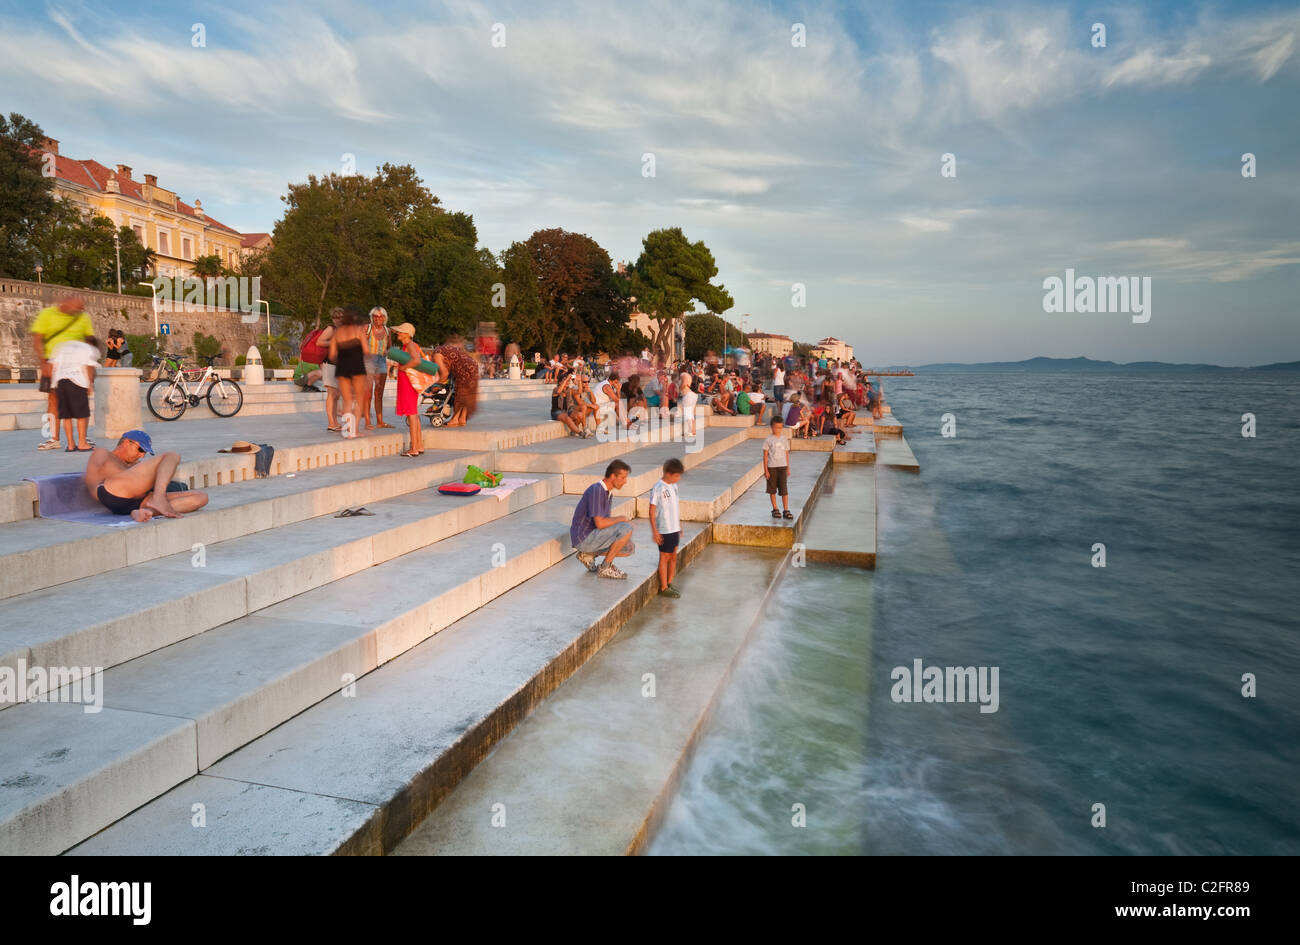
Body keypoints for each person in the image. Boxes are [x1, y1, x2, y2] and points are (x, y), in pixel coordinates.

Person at [84, 429, 208, 521]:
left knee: (201, 497)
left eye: (144, 453)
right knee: (171, 455)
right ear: (127, 443)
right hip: (110, 491)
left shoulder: (132, 466)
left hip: (135, 503)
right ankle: (158, 499)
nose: (142, 455)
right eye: (141, 450)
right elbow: (92, 477)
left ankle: (146, 512)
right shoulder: (104, 454)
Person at [30, 296, 94, 451]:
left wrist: (89, 365)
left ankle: (82, 438)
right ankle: (53, 438)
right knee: (53, 400)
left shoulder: (83, 317)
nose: (80, 312)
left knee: (81, 400)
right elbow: (38, 339)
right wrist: (43, 361)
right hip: (52, 362)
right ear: (64, 305)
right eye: (77, 308)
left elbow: (90, 339)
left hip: (78, 364)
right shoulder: (47, 314)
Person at [570, 459, 636, 579]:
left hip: (592, 535)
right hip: (583, 538)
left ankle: (588, 554)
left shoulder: (607, 493)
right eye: (622, 478)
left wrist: (625, 538)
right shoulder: (597, 490)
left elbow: (606, 522)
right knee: (626, 528)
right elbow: (600, 523)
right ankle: (605, 567)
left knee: (627, 547)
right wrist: (621, 518)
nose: (625, 481)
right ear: (612, 476)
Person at [50, 334, 100, 452]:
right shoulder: (85, 348)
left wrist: (53, 384)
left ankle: (71, 444)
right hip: (77, 381)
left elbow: (55, 366)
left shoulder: (61, 347)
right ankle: (82, 443)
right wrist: (89, 384)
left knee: (67, 415)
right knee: (82, 414)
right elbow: (87, 366)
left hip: (61, 381)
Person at [391, 323, 430, 457]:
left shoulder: (410, 345)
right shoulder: (408, 345)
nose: (398, 333)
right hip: (407, 382)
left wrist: (403, 367)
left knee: (411, 414)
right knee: (413, 413)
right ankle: (418, 445)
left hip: (408, 383)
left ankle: (414, 447)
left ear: (407, 334)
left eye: (400, 332)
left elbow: (416, 361)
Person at [328, 307, 368, 437]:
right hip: (357, 366)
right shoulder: (358, 330)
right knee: (359, 398)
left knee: (347, 400)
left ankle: (347, 431)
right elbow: (366, 351)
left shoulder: (337, 333)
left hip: (342, 367)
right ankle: (354, 430)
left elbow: (332, 355)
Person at [649, 458, 684, 598]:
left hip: (674, 528)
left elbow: (675, 507)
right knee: (664, 556)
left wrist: (679, 525)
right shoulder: (658, 487)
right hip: (664, 528)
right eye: (676, 475)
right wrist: (655, 531)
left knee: (674, 555)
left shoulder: (674, 487)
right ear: (668, 473)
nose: (678, 478)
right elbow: (652, 510)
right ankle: (663, 587)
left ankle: (669, 582)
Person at [427, 336, 480, 426]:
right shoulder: (442, 349)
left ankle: (455, 419)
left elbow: (444, 374)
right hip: (472, 365)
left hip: (464, 369)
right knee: (466, 394)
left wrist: (435, 387)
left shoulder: (436, 356)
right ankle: (462, 419)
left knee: (460, 394)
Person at [363, 306, 393, 431]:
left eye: (380, 316)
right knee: (368, 393)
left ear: (384, 317)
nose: (378, 318)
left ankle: (380, 421)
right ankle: (368, 421)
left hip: (381, 360)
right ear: (372, 317)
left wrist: (387, 351)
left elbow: (389, 346)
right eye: (375, 315)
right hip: (369, 361)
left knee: (379, 393)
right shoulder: (367, 328)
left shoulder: (387, 330)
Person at [764, 416, 793, 520]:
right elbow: (765, 456)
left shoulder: (784, 439)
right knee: (772, 489)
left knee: (784, 489)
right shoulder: (768, 440)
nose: (778, 430)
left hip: (782, 467)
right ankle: (775, 508)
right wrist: (766, 470)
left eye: (780, 427)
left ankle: (786, 509)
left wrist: (788, 468)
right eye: (776, 427)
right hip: (772, 467)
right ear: (772, 427)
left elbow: (787, 454)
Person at [319, 308, 343, 432]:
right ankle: (331, 422)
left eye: (341, 317)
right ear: (333, 318)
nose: (338, 319)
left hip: (339, 365)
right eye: (336, 317)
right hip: (330, 364)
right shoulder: (331, 329)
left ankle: (335, 422)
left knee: (336, 395)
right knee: (331, 394)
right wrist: (333, 342)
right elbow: (319, 342)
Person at [551, 368, 586, 437]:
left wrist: (579, 381)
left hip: (567, 410)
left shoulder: (569, 390)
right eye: (565, 381)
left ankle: (573, 430)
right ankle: (581, 433)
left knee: (580, 415)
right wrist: (567, 379)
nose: (567, 383)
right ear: (560, 382)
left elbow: (579, 391)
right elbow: (559, 391)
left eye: (568, 381)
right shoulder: (555, 389)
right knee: (567, 418)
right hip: (557, 411)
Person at [677, 371, 698, 437]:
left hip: (688, 395)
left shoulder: (683, 375)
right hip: (692, 395)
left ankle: (690, 431)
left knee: (687, 413)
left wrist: (678, 390)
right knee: (690, 414)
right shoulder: (688, 376)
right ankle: (693, 431)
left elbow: (684, 384)